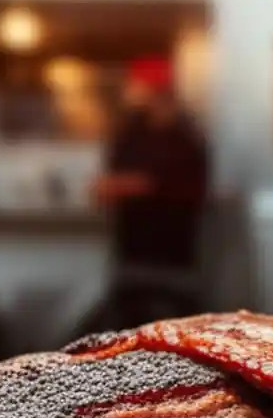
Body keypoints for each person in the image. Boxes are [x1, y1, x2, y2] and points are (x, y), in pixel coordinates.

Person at [87, 57, 209, 329]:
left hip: (173, 256)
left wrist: (132, 184)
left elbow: (186, 186)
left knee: (173, 328)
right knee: (129, 327)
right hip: (132, 252)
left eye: (136, 85)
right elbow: (114, 174)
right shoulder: (131, 131)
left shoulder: (185, 137)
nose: (130, 91)